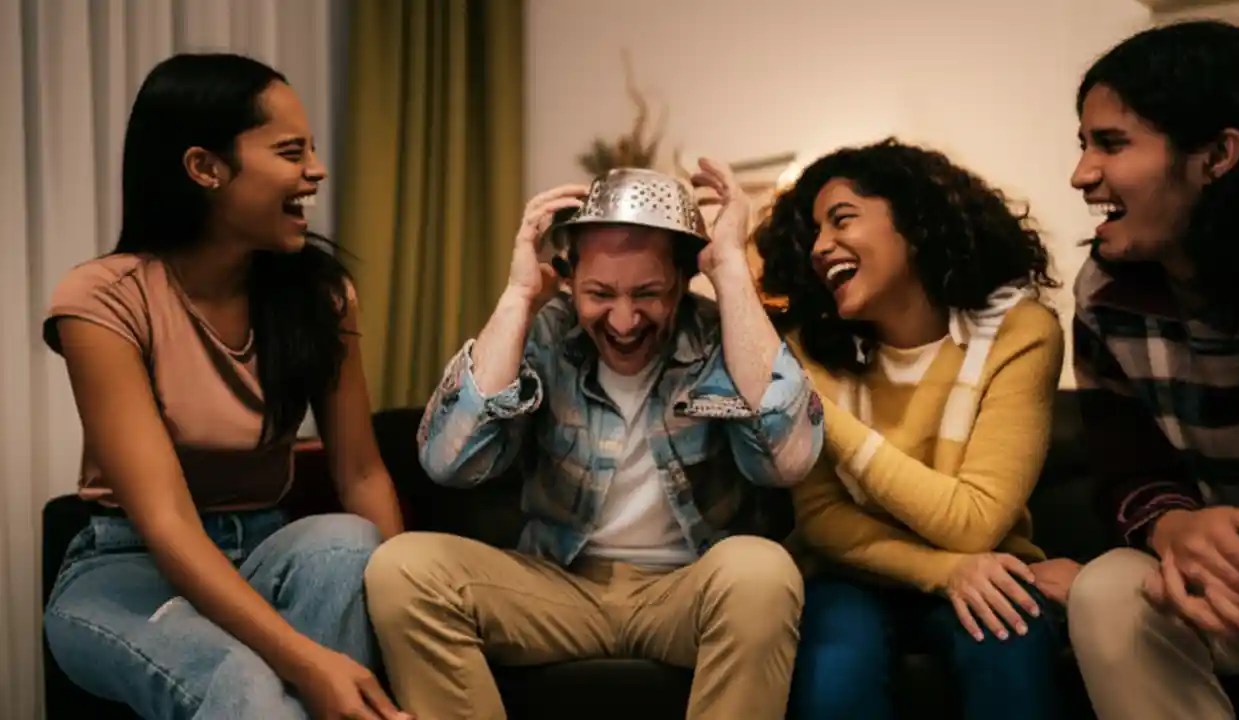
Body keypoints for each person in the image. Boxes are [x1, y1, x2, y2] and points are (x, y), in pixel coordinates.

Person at [363, 162, 823, 719]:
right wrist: (517, 295)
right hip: (558, 589)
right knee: (401, 567)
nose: (625, 320)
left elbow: (789, 458)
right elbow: (447, 461)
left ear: (681, 281)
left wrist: (728, 270)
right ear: (568, 278)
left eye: (649, 293)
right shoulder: (547, 336)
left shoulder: (719, 340)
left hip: (686, 591)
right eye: (600, 293)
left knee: (763, 572)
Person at [42, 53, 408, 720]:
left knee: (349, 540)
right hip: (129, 569)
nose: (316, 171)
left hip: (269, 547)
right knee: (254, 689)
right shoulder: (101, 300)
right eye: (290, 152)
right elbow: (166, 522)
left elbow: (360, 473)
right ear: (205, 169)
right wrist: (312, 663)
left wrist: (405, 631)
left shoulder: (320, 296)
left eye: (312, 151)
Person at [754, 138, 1065, 719]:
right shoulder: (805, 349)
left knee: (1009, 646)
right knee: (835, 674)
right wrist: (943, 570)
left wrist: (819, 410)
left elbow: (976, 522)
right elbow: (821, 519)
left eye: (841, 219)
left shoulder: (1021, 333)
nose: (822, 246)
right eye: (814, 233)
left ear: (917, 224)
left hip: (988, 562)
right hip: (850, 572)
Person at [1059, 20, 1239, 720]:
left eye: (1112, 144)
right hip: (1234, 599)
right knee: (1108, 589)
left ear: (1217, 155)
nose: (1082, 174)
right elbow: (1128, 469)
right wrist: (1175, 529)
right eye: (1084, 143)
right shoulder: (1105, 296)